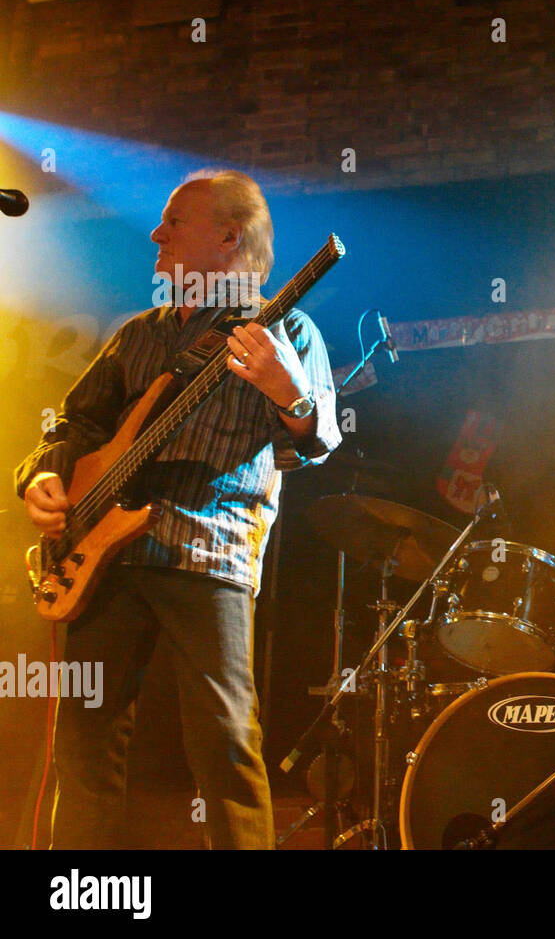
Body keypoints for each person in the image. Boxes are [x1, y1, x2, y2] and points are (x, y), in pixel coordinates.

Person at [15, 169, 341, 848]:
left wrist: (290, 392)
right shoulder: (140, 334)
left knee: (224, 742)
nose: (157, 234)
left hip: (210, 550)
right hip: (104, 552)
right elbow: (72, 427)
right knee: (84, 741)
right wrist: (39, 478)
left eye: (174, 221)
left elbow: (319, 442)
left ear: (229, 236)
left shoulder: (290, 328)